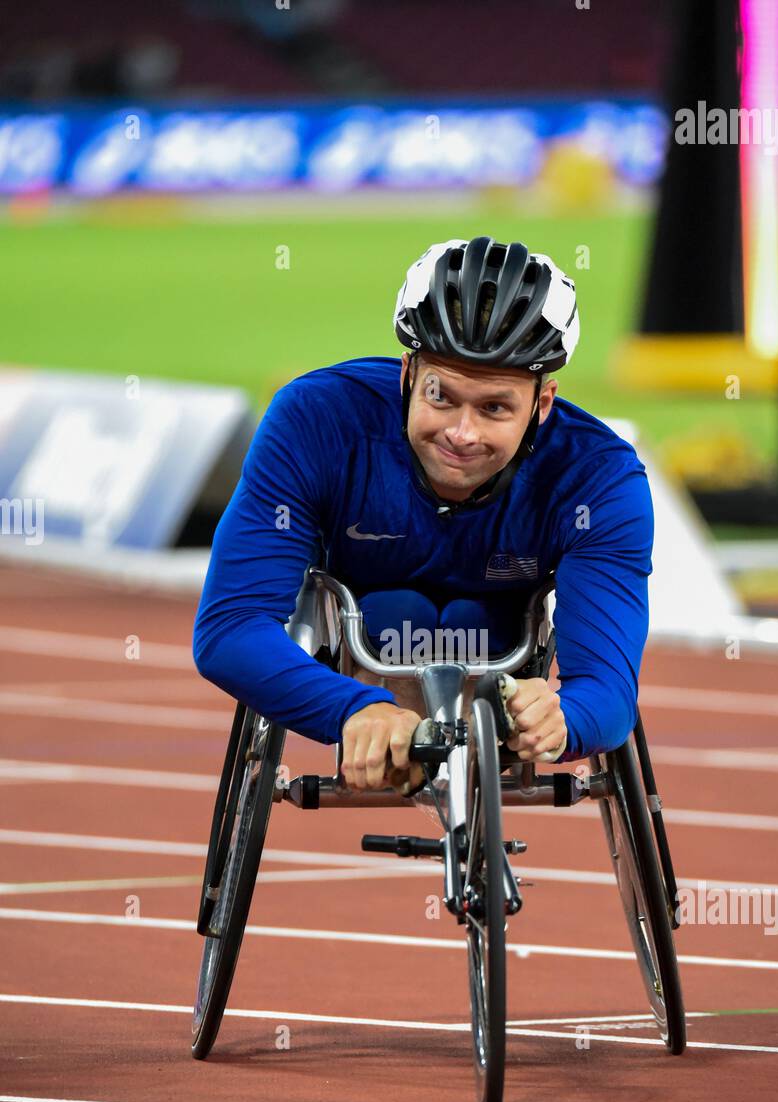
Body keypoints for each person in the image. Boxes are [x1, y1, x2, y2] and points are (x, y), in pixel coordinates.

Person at [193, 235, 653, 795]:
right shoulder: (316, 421)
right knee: (398, 608)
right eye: (440, 395)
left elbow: (608, 689)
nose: (462, 433)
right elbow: (230, 628)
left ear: (543, 404)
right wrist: (352, 708)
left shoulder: (598, 478)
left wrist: (564, 719)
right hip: (363, 640)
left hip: (504, 654)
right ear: (407, 374)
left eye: (495, 408)